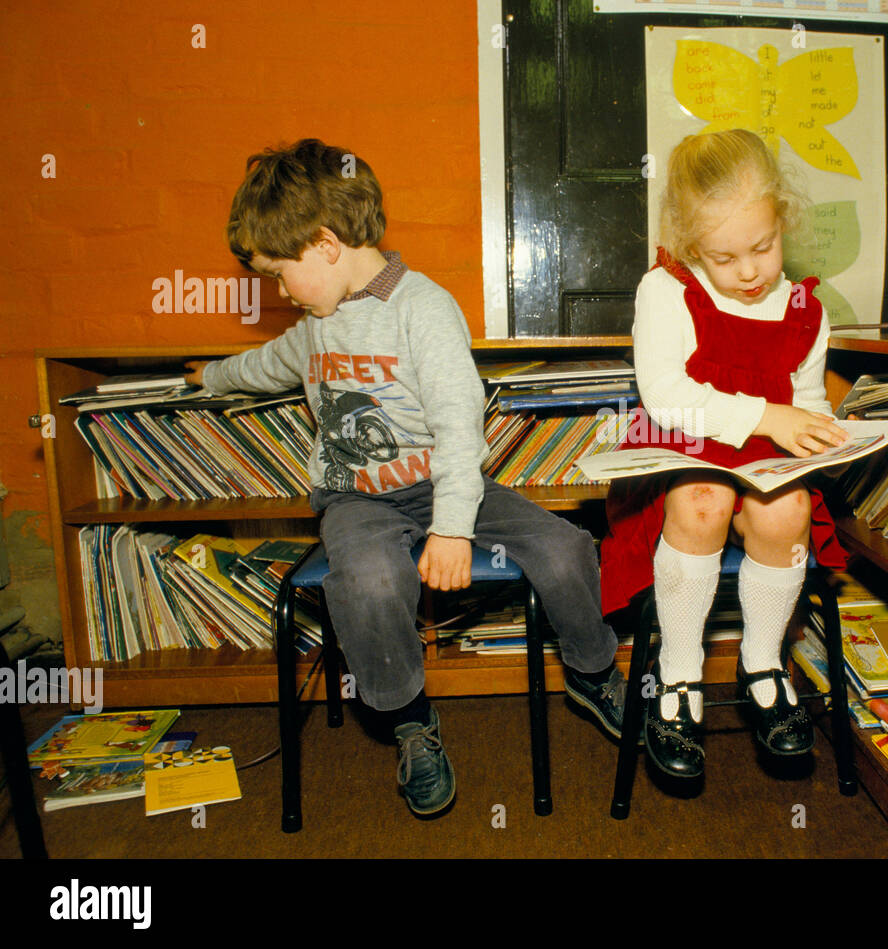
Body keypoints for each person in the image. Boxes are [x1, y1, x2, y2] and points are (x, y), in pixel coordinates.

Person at [187, 139, 626, 818]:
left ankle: (594, 671)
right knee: (367, 580)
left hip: (445, 485)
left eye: (279, 272)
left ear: (325, 244)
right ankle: (411, 720)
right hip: (356, 496)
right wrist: (210, 376)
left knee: (567, 546)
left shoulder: (422, 309)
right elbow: (266, 364)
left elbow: (458, 428)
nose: (279, 291)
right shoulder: (317, 321)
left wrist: (452, 528)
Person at [600, 129, 850, 779]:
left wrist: (822, 433)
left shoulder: (803, 310)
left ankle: (763, 660)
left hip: (764, 455)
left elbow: (807, 397)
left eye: (762, 248)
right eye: (724, 256)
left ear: (783, 223)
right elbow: (666, 395)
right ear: (691, 246)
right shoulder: (666, 288)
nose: (747, 271)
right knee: (703, 498)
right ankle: (680, 673)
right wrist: (772, 416)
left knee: (786, 509)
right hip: (684, 442)